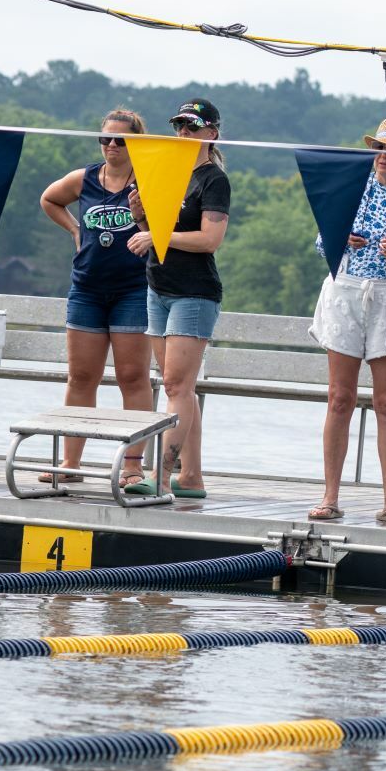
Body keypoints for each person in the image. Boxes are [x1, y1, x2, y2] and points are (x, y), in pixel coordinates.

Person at [307, 118, 386, 524]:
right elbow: (319, 242)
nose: (383, 156)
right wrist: (340, 237)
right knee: (339, 398)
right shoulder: (351, 189)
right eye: (379, 149)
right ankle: (329, 496)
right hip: (345, 288)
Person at [37, 109, 154, 490]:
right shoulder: (85, 178)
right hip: (87, 287)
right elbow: (49, 199)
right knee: (82, 376)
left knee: (132, 377)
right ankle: (70, 462)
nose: (112, 147)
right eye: (105, 139)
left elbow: (166, 231)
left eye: (121, 140)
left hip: (133, 288)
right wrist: (74, 230)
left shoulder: (149, 181)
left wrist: (143, 220)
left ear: (136, 142)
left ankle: (133, 465)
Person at [130, 97, 229, 500]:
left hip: (195, 292)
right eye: (179, 127)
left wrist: (155, 234)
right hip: (159, 286)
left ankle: (164, 472)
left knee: (175, 385)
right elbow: (156, 231)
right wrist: (141, 218)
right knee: (177, 387)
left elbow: (209, 240)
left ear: (211, 134)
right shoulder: (169, 173)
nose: (183, 134)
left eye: (192, 127)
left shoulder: (213, 179)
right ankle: (192, 477)